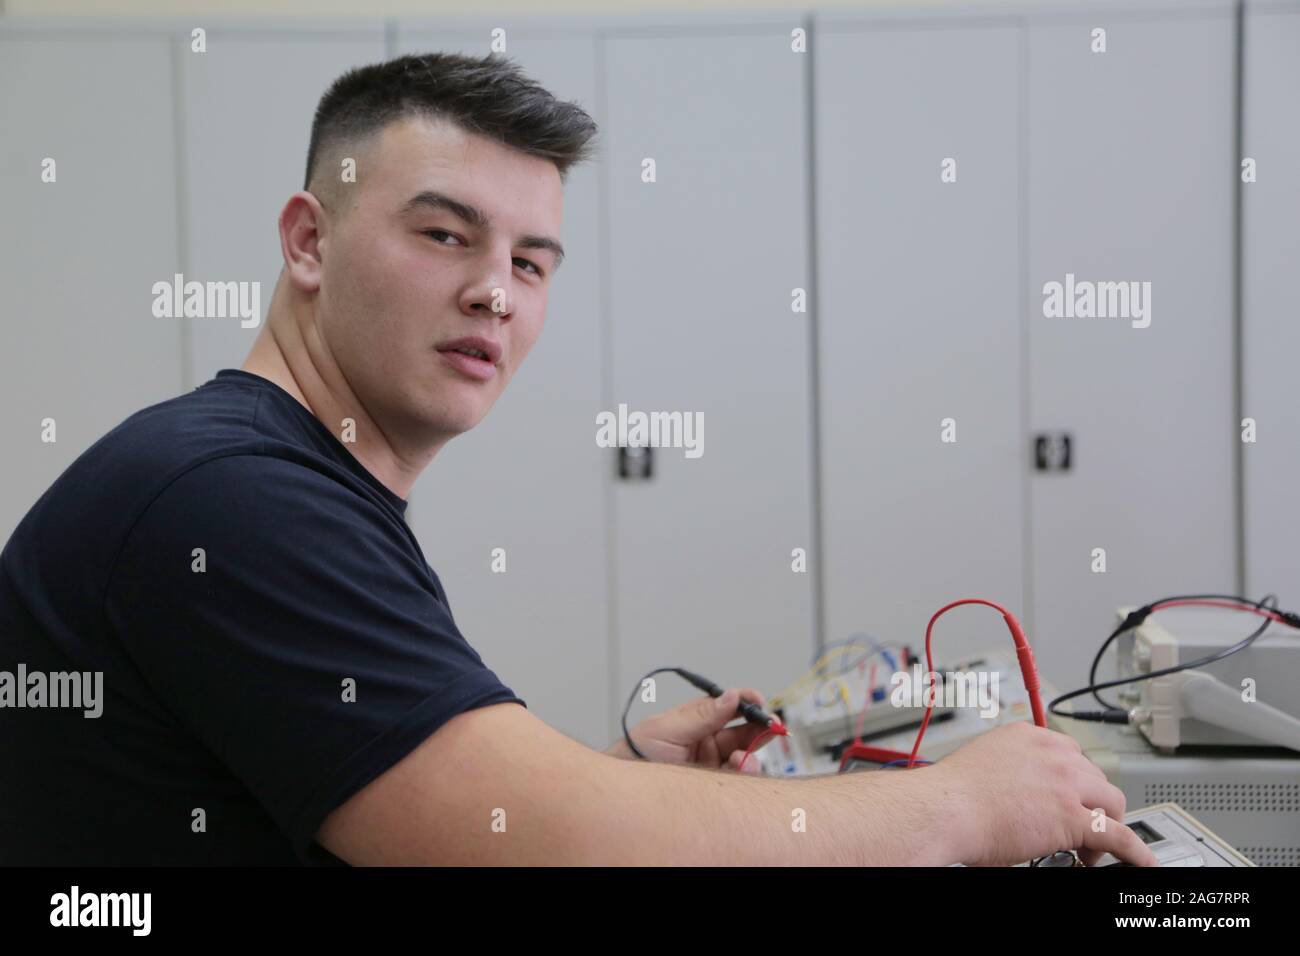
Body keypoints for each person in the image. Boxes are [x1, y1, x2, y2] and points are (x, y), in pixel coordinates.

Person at [0, 51, 1156, 867]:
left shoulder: (273, 473)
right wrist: (957, 807)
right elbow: (543, 843)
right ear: (309, 240)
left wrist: (615, 772)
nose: (494, 290)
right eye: (444, 233)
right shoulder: (233, 500)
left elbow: (426, 809)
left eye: (534, 260)